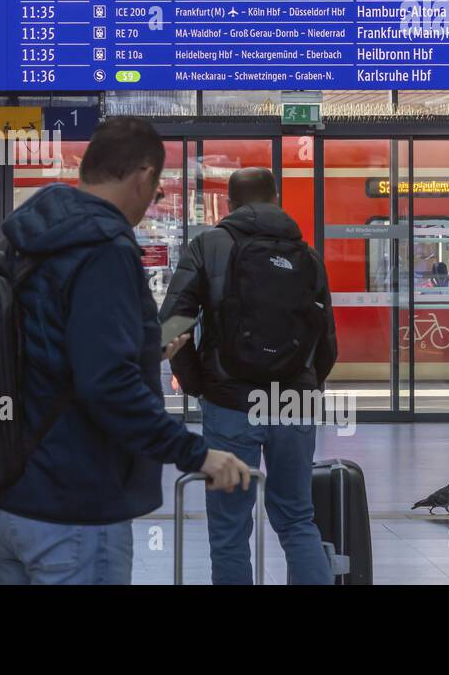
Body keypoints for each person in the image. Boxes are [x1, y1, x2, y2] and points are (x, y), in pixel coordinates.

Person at [0, 116, 251, 585]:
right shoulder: (103, 246)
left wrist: (143, 351)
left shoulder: (25, 233)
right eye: (157, 189)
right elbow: (104, 384)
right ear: (144, 175)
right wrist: (197, 454)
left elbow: (42, 350)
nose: (151, 200)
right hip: (73, 508)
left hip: (7, 501)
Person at [160, 167, 338, 585]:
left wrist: (198, 385)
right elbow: (327, 342)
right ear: (276, 198)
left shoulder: (209, 245)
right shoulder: (308, 256)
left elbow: (171, 324)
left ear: (229, 202)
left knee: (229, 530)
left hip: (230, 402)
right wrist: (307, 387)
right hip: (295, 400)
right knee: (297, 520)